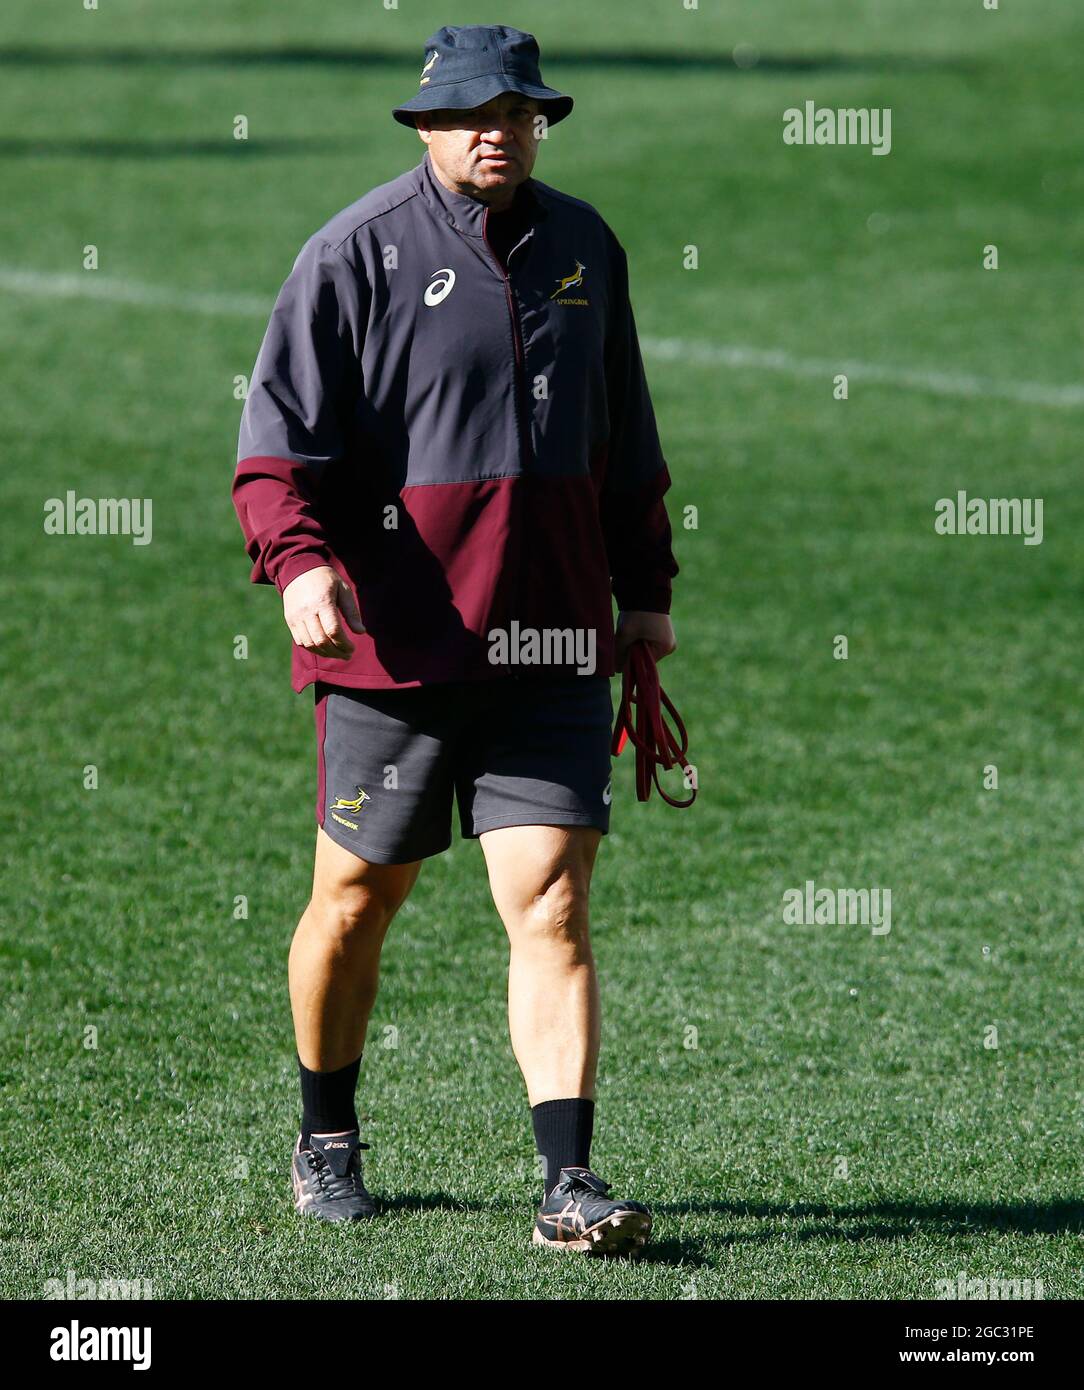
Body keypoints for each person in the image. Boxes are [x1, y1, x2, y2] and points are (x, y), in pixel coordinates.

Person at [232, 23, 678, 1256]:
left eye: (521, 112)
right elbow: (276, 453)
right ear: (425, 127)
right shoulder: (353, 257)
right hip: (397, 653)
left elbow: (622, 432)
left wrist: (645, 588)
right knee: (358, 897)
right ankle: (326, 1133)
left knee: (550, 901)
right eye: (474, 113)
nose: (500, 130)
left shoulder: (585, 244)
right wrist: (301, 563)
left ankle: (568, 1184)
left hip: (549, 648)